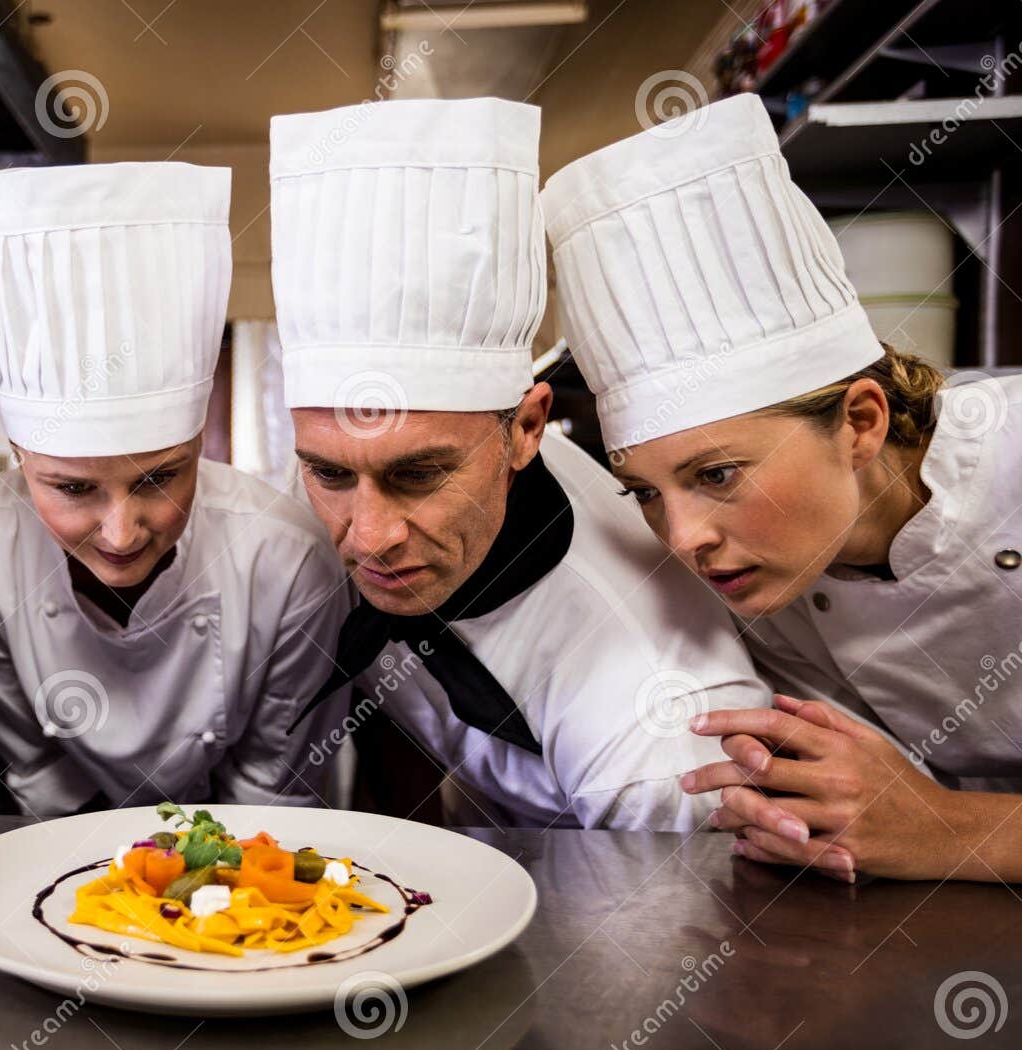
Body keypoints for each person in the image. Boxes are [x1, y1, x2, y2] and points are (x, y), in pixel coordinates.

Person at [544, 91, 1022, 881]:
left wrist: (953, 830)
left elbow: (923, 822)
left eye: (716, 474)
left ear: (861, 423)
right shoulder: (766, 597)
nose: (684, 538)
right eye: (647, 491)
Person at [274, 96, 772, 830]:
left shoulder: (658, 723)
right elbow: (396, 709)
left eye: (418, 476)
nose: (369, 536)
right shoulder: (363, 500)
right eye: (331, 474)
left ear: (526, 427)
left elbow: (672, 934)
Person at [0, 161, 349, 816]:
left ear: (200, 445)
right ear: (18, 459)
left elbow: (272, 796)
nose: (122, 531)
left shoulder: (288, 559)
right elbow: (40, 771)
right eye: (73, 487)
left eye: (159, 478)